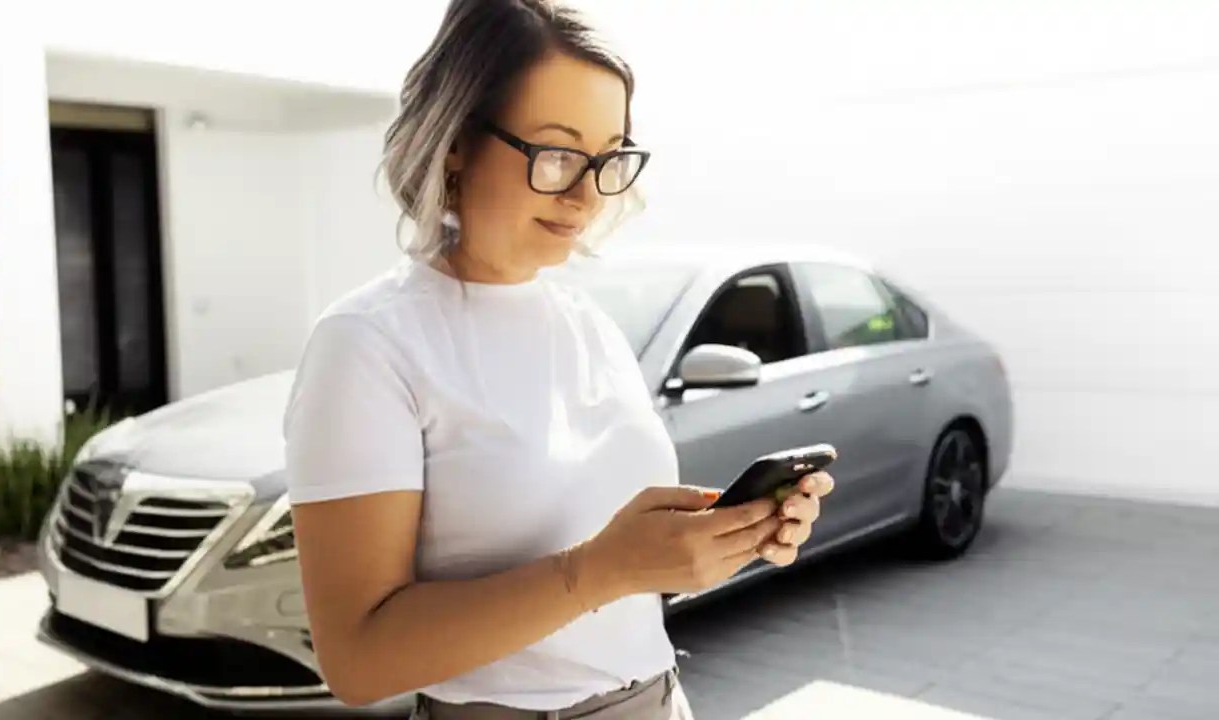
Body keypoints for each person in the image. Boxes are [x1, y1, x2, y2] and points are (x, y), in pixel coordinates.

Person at [282, 1, 835, 718]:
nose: (585, 194)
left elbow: (615, 574)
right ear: (454, 142)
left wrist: (713, 541)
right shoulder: (367, 343)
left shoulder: (589, 324)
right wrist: (597, 572)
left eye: (607, 159)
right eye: (557, 153)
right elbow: (358, 659)